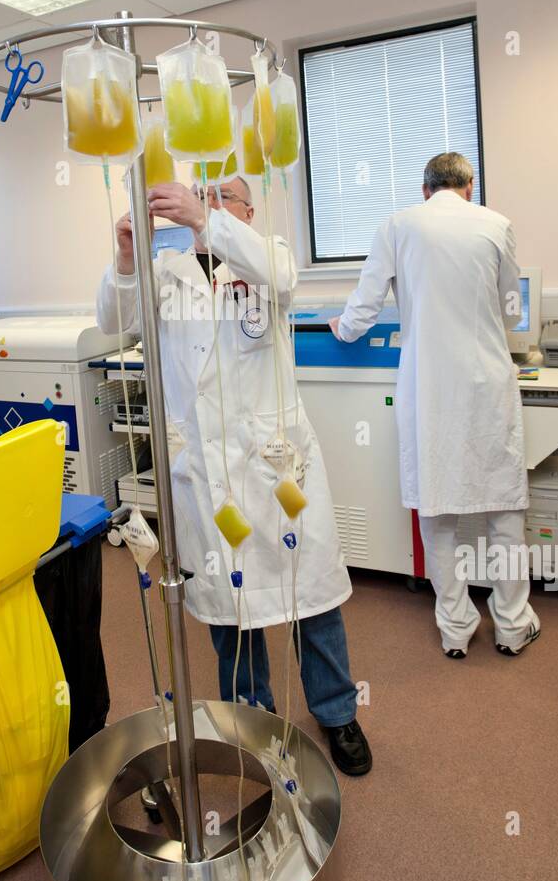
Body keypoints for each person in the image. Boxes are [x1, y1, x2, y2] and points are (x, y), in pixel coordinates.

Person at [96, 175, 371, 775]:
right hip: (207, 475)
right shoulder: (166, 276)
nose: (212, 204)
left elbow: (284, 276)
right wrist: (124, 255)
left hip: (280, 475)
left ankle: (337, 712)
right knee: (229, 606)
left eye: (225, 198)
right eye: (204, 194)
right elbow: (114, 319)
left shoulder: (267, 258)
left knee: (312, 593)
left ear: (246, 211)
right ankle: (252, 716)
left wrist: (205, 219)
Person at [331, 153, 540, 660]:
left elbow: (364, 303)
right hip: (487, 384)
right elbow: (510, 306)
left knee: (436, 507)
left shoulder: (398, 225)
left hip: (427, 389)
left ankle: (455, 626)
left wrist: (346, 329)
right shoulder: (497, 224)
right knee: (503, 509)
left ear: (425, 190)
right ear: (468, 186)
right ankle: (512, 624)